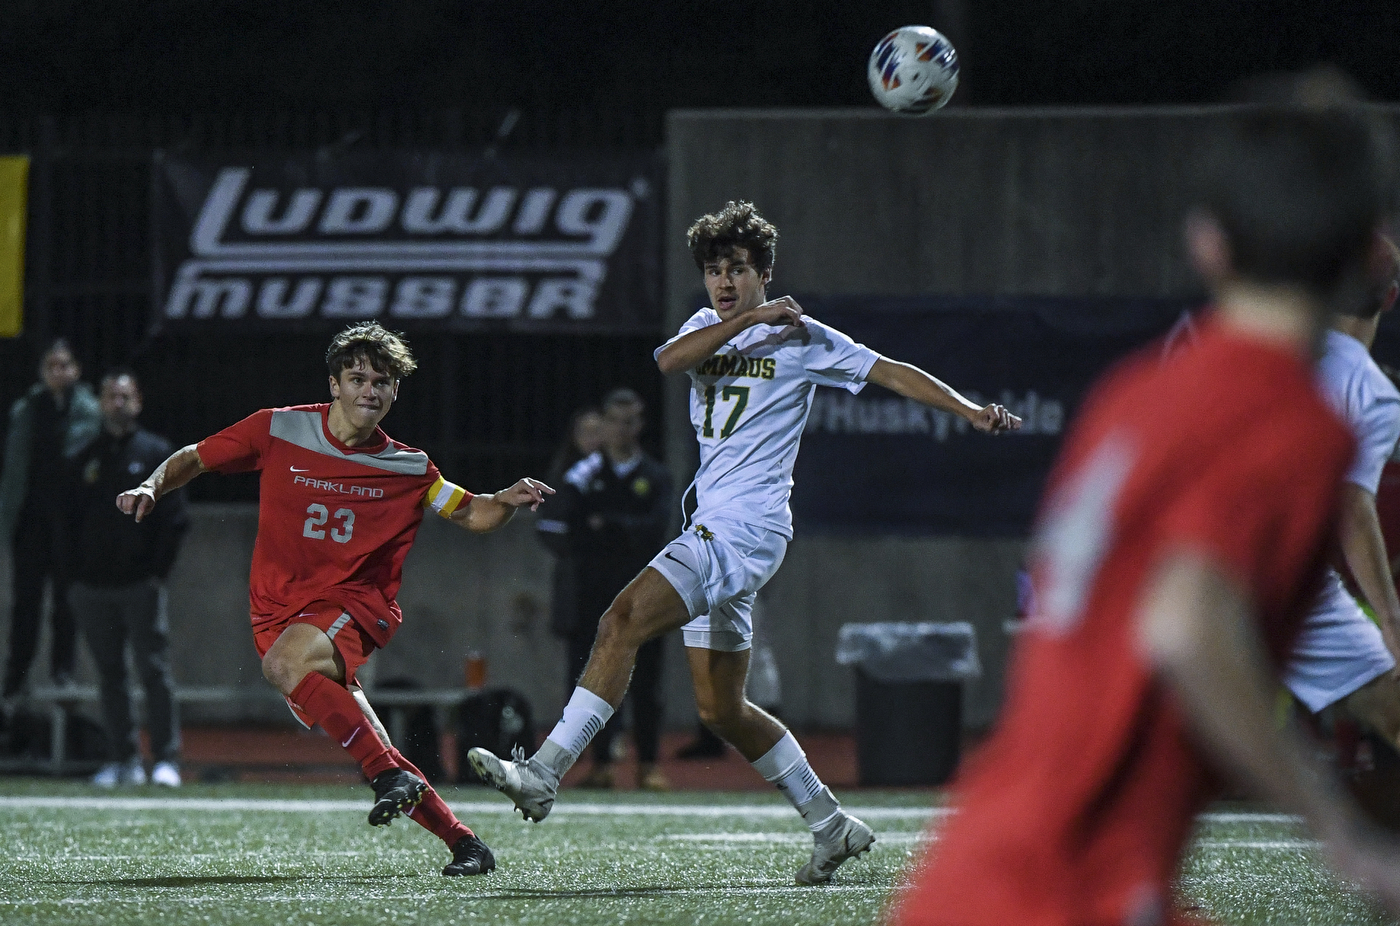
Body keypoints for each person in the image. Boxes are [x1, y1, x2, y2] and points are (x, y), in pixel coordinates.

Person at [889, 81, 1400, 926]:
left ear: (1207, 244)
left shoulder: (1134, 393)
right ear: (1363, 257)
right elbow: (1186, 622)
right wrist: (1336, 829)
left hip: (984, 862)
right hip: (1075, 887)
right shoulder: (1293, 420)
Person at [469, 200, 1020, 884]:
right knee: (721, 710)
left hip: (745, 529)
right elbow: (668, 360)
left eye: (737, 269)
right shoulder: (708, 326)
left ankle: (545, 772)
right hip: (716, 527)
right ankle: (831, 824)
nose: (724, 281)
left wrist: (968, 410)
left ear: (765, 273)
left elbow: (889, 370)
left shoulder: (801, 337)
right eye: (713, 270)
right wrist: (745, 322)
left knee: (619, 622)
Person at [116, 321, 551, 877]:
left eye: (382, 382)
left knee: (286, 668)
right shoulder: (280, 429)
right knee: (375, 743)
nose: (370, 390)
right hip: (276, 612)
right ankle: (465, 843)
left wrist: (505, 501)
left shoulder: (410, 467)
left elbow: (472, 513)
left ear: (395, 391)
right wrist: (152, 485)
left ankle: (387, 777)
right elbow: (196, 457)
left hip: (354, 605)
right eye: (358, 379)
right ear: (334, 385)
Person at [1284, 237, 1400, 747]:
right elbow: (1353, 508)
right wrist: (1392, 621)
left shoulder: (1268, 354)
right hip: (1276, 576)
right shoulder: (1371, 392)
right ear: (1391, 298)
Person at [69, 370, 190, 788]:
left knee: (153, 671)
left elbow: (175, 519)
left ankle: (165, 760)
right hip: (93, 587)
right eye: (110, 396)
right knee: (110, 675)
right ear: (100, 402)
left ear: (137, 401)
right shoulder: (85, 455)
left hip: (140, 584)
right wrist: (74, 574)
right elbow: (65, 520)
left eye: (125, 396)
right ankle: (123, 760)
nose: (117, 403)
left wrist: (155, 573)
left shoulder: (156, 453)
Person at [553, 388, 672, 790]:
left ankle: (648, 764)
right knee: (595, 676)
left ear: (641, 425)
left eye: (631, 421)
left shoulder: (655, 476)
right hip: (593, 594)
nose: (623, 429)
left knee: (647, 681)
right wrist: (621, 530)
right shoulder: (583, 474)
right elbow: (568, 527)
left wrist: (608, 525)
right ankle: (601, 763)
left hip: (643, 594)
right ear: (604, 424)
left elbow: (655, 530)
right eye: (616, 421)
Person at [0, 338, 100, 700]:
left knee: (66, 603)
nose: (58, 372)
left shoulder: (88, 412)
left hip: (69, 523)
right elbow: (14, 469)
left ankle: (62, 672)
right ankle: (16, 676)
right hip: (31, 521)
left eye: (64, 365)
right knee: (25, 603)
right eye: (51, 366)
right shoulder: (27, 409)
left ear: (76, 370)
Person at [537, 406, 604, 642]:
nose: (592, 439)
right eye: (585, 433)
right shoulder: (565, 474)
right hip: (576, 581)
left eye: (598, 432)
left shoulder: (616, 471)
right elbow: (548, 526)